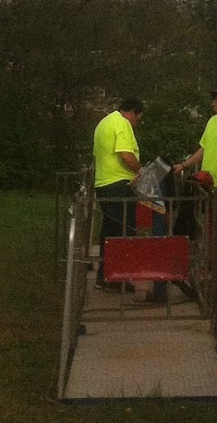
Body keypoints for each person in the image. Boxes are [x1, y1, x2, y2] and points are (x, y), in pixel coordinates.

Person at [93, 95, 144, 289]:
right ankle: (118, 277)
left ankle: (104, 275)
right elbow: (126, 154)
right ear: (131, 112)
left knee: (109, 231)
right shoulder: (122, 124)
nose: (137, 123)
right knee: (124, 231)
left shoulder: (104, 123)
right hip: (118, 185)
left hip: (103, 184)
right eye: (137, 118)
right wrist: (141, 170)